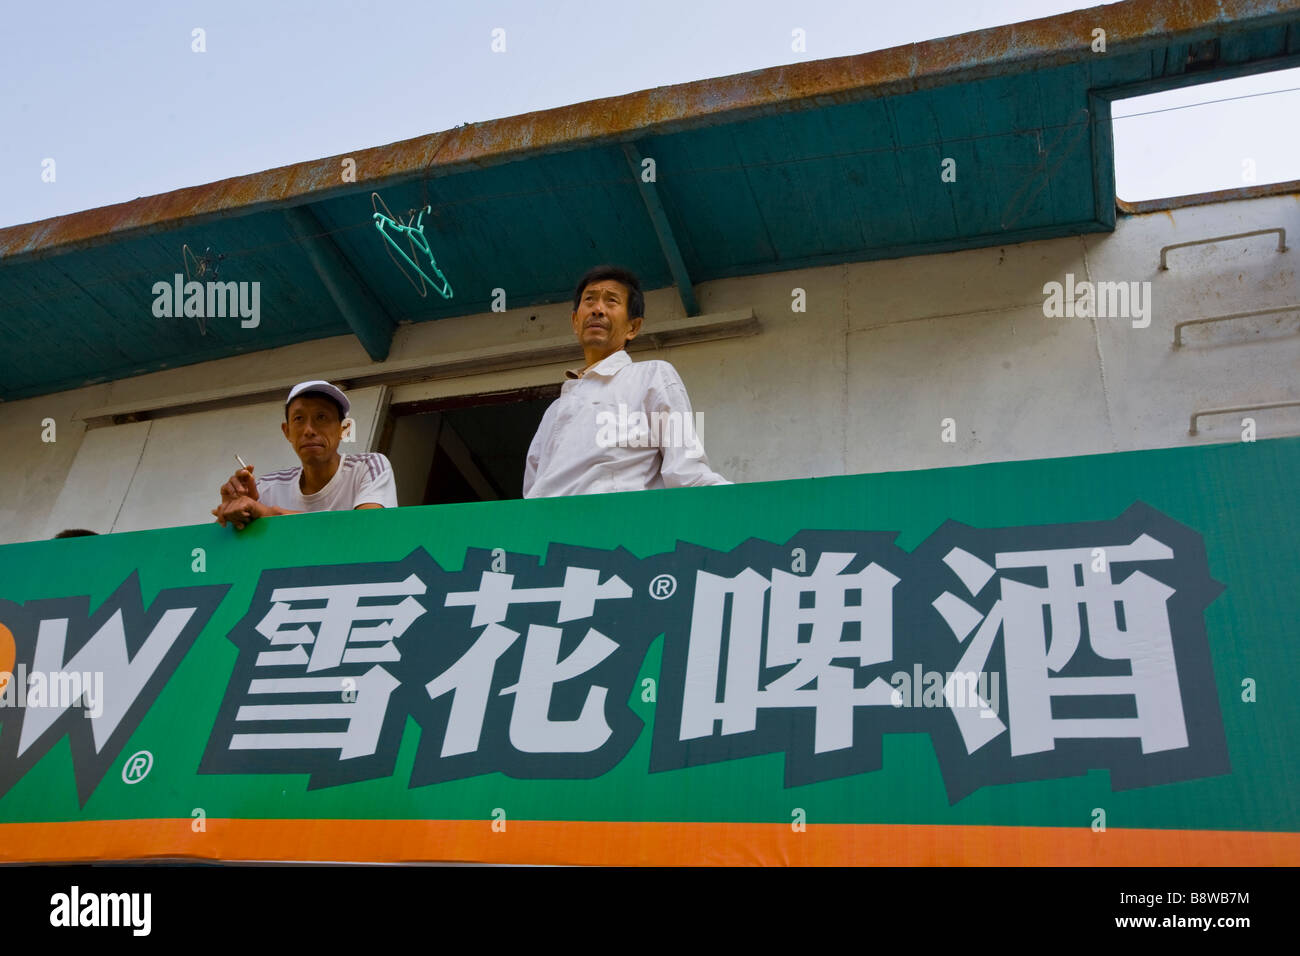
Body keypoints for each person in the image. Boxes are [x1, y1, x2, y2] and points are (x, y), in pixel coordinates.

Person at [523, 265, 729, 498]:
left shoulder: (653, 375)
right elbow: (532, 492)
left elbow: (687, 472)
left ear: (633, 327)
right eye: (589, 300)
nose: (598, 309)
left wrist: (750, 503)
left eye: (611, 301)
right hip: (548, 528)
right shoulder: (554, 411)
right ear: (575, 321)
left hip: (616, 524)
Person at [212, 380, 397, 530]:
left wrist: (270, 514)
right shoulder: (267, 487)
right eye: (299, 419)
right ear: (287, 432)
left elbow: (368, 529)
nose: (309, 430)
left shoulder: (368, 467)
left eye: (322, 417)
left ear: (344, 429)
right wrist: (233, 513)